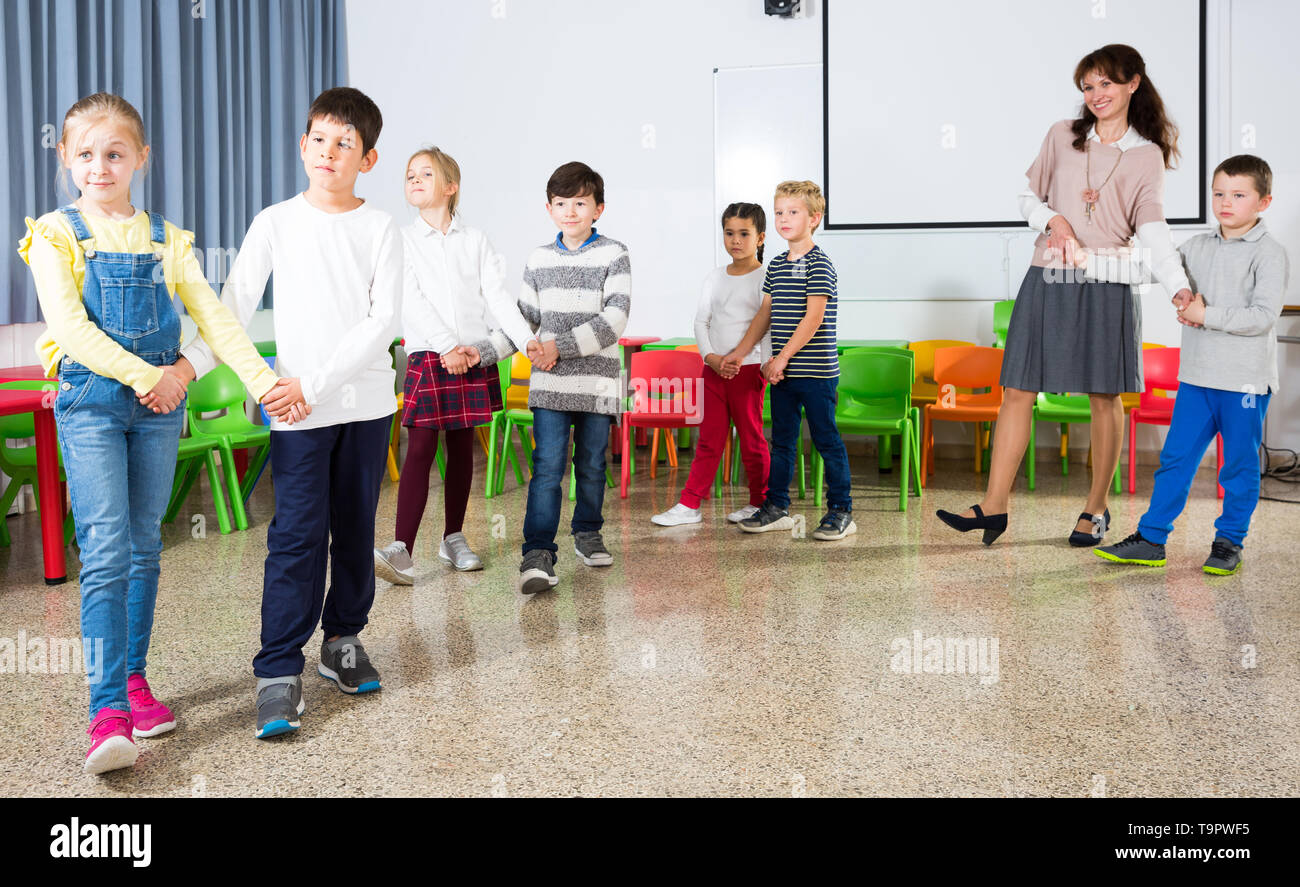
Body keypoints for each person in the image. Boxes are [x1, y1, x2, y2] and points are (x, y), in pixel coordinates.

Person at [18, 93, 290, 773]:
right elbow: (73, 329)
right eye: (85, 154)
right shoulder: (55, 233)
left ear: (142, 157)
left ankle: (135, 681)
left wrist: (265, 386)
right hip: (93, 402)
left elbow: (218, 321)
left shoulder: (168, 238)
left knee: (144, 547)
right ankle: (106, 710)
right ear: (66, 159)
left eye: (115, 153)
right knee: (106, 549)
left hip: (158, 407)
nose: (100, 166)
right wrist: (154, 376)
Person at [185, 87, 402, 738]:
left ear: (368, 158)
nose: (329, 152)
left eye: (346, 144)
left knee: (354, 527)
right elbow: (229, 308)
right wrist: (193, 369)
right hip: (295, 410)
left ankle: (343, 639)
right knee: (296, 535)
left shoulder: (381, 226)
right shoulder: (274, 221)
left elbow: (382, 320)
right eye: (320, 139)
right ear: (301, 144)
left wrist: (314, 380)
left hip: (362, 403)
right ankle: (278, 668)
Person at [937, 44, 1193, 546]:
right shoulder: (1062, 135)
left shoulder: (1146, 156)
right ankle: (993, 507)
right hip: (1047, 274)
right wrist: (1051, 218)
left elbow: (1154, 229)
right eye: (1088, 86)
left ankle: (1095, 509)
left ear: (1133, 83)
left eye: (1106, 84)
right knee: (1017, 389)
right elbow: (1027, 196)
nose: (1096, 95)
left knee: (1104, 397)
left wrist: (1178, 286)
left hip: (1109, 282)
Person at [1097, 155, 1289, 574]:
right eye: (1219, 193)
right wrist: (1095, 261)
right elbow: (1154, 272)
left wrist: (1206, 315)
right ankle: (1150, 538)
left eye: (1238, 195)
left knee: (1237, 467)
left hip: (1244, 384)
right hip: (1197, 380)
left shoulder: (1270, 254)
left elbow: (1262, 317)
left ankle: (1228, 542)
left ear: (1264, 202)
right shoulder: (1197, 246)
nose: (1225, 202)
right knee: (1175, 460)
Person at [461, 161, 630, 594]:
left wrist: (559, 346)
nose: (570, 211)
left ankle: (588, 531)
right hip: (550, 385)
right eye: (561, 203)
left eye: (580, 202)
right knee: (547, 468)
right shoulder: (538, 259)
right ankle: (537, 553)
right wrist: (479, 352)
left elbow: (615, 319)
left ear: (599, 209)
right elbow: (523, 323)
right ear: (550, 209)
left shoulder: (614, 254)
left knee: (591, 467)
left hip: (597, 385)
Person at [374, 147, 534, 584]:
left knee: (464, 449)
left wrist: (527, 341)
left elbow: (497, 297)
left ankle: (453, 538)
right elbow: (410, 298)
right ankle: (402, 549)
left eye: (426, 173)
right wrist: (446, 347)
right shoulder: (399, 239)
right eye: (409, 175)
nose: (415, 180)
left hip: (471, 353)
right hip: (430, 353)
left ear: (451, 186)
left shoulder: (475, 239)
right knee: (421, 447)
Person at [727, 180, 856, 541]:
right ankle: (776, 507)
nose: (784, 218)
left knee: (826, 440)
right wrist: (740, 352)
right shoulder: (777, 266)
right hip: (782, 374)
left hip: (814, 374)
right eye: (780, 212)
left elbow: (812, 319)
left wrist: (780, 358)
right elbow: (764, 315)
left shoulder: (820, 264)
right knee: (782, 442)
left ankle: (841, 510)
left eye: (793, 212)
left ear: (814, 219)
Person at [651, 202, 771, 526]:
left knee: (751, 439)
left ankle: (760, 501)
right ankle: (690, 504)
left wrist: (756, 362)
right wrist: (711, 358)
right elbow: (701, 321)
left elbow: (767, 325)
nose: (735, 240)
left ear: (760, 238)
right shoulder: (715, 277)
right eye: (729, 233)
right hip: (713, 370)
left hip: (748, 371)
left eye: (744, 233)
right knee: (709, 438)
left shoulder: (766, 277)